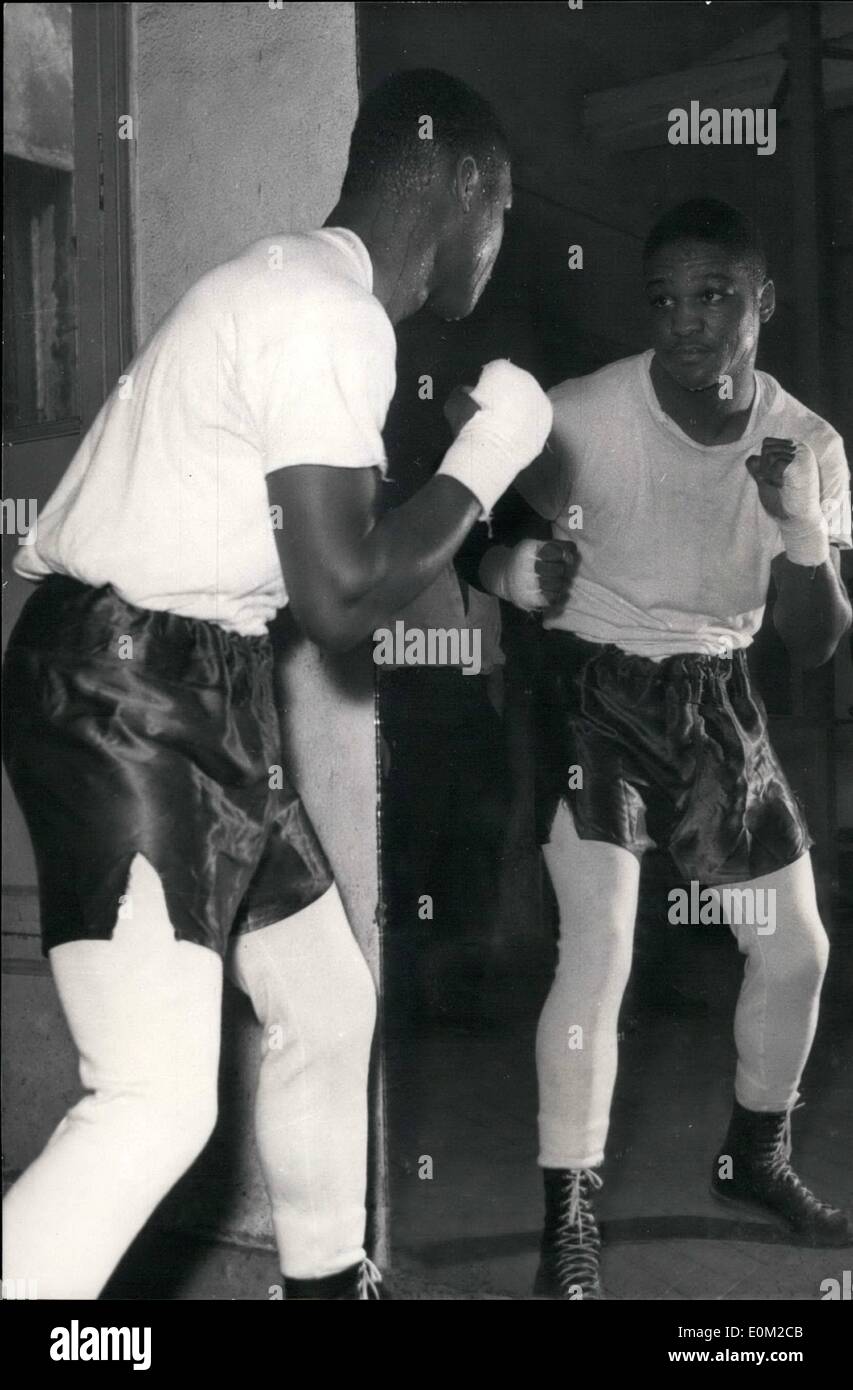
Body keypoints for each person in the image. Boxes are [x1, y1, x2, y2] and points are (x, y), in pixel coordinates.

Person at [1, 68, 552, 1301]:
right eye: (503, 210)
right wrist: (491, 451)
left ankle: (323, 1286)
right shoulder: (321, 313)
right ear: (464, 186)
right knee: (150, 1102)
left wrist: (483, 537)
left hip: (204, 680)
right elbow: (342, 596)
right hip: (124, 688)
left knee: (325, 997)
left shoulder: (307, 296)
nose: (499, 241)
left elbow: (335, 528)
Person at [479, 198, 853, 1299]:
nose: (686, 323)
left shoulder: (814, 441)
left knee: (796, 951)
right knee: (598, 947)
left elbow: (817, 644)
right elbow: (463, 510)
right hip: (592, 689)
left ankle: (754, 1153)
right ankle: (571, 1218)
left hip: (719, 693)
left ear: (761, 302)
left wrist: (794, 522)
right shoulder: (585, 413)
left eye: (713, 297)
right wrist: (502, 574)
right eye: (665, 300)